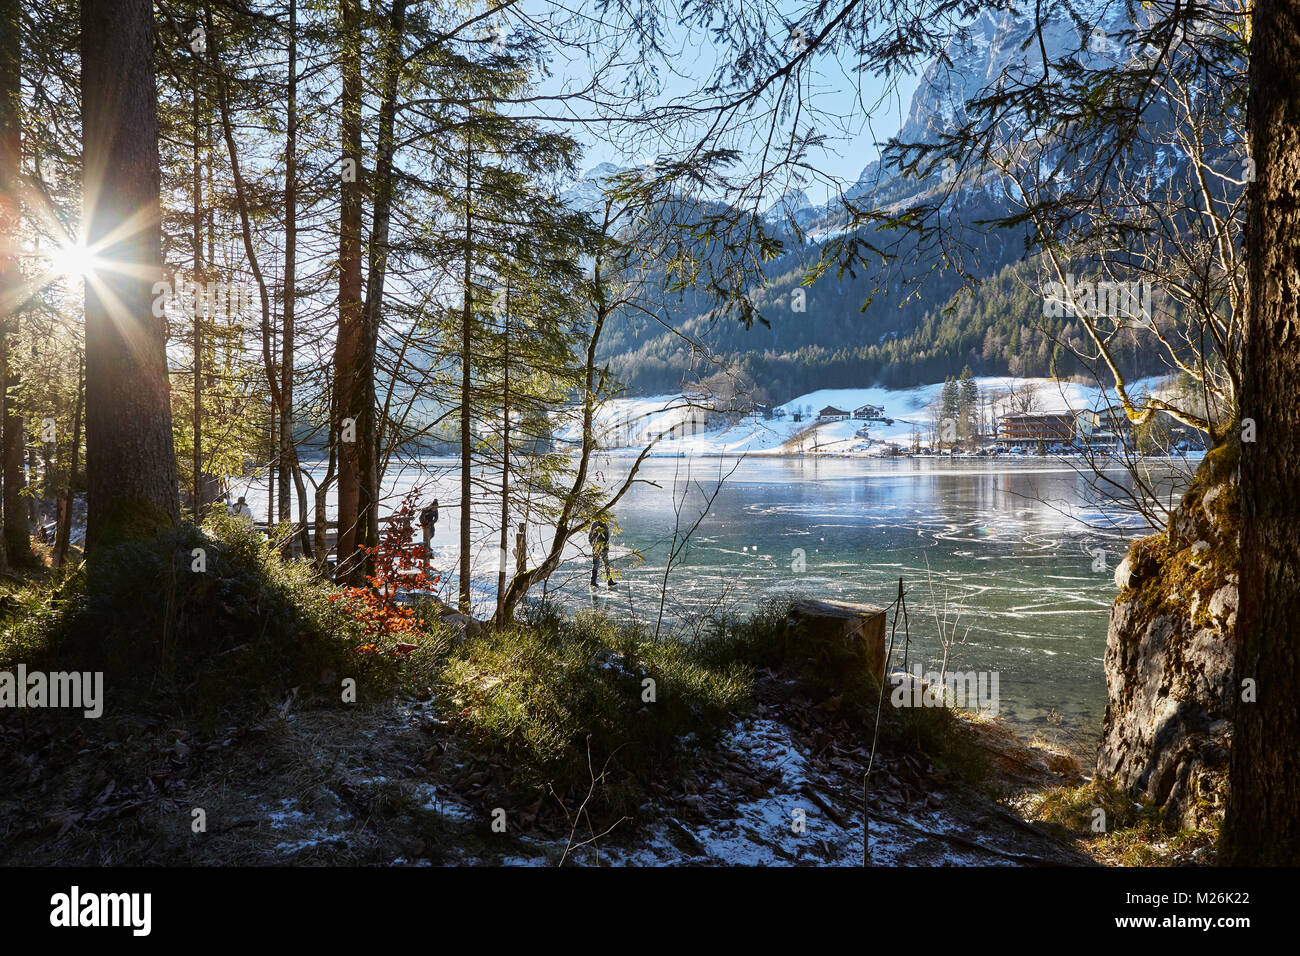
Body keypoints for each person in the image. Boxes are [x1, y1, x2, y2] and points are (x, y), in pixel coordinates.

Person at [588, 513, 615, 587]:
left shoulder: (605, 525)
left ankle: (610, 581)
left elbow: (607, 538)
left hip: (604, 548)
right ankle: (593, 582)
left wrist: (606, 547)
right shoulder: (595, 524)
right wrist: (595, 546)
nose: (606, 519)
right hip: (596, 548)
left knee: (606, 564)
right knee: (596, 564)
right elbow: (590, 537)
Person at [419, 500, 438, 570]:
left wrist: (432, 522)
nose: (435, 509)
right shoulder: (427, 509)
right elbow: (421, 517)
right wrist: (424, 522)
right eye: (434, 508)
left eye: (436, 508)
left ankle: (428, 544)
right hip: (425, 522)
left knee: (432, 534)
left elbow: (436, 518)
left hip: (431, 523)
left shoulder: (436, 511)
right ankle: (427, 546)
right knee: (426, 535)